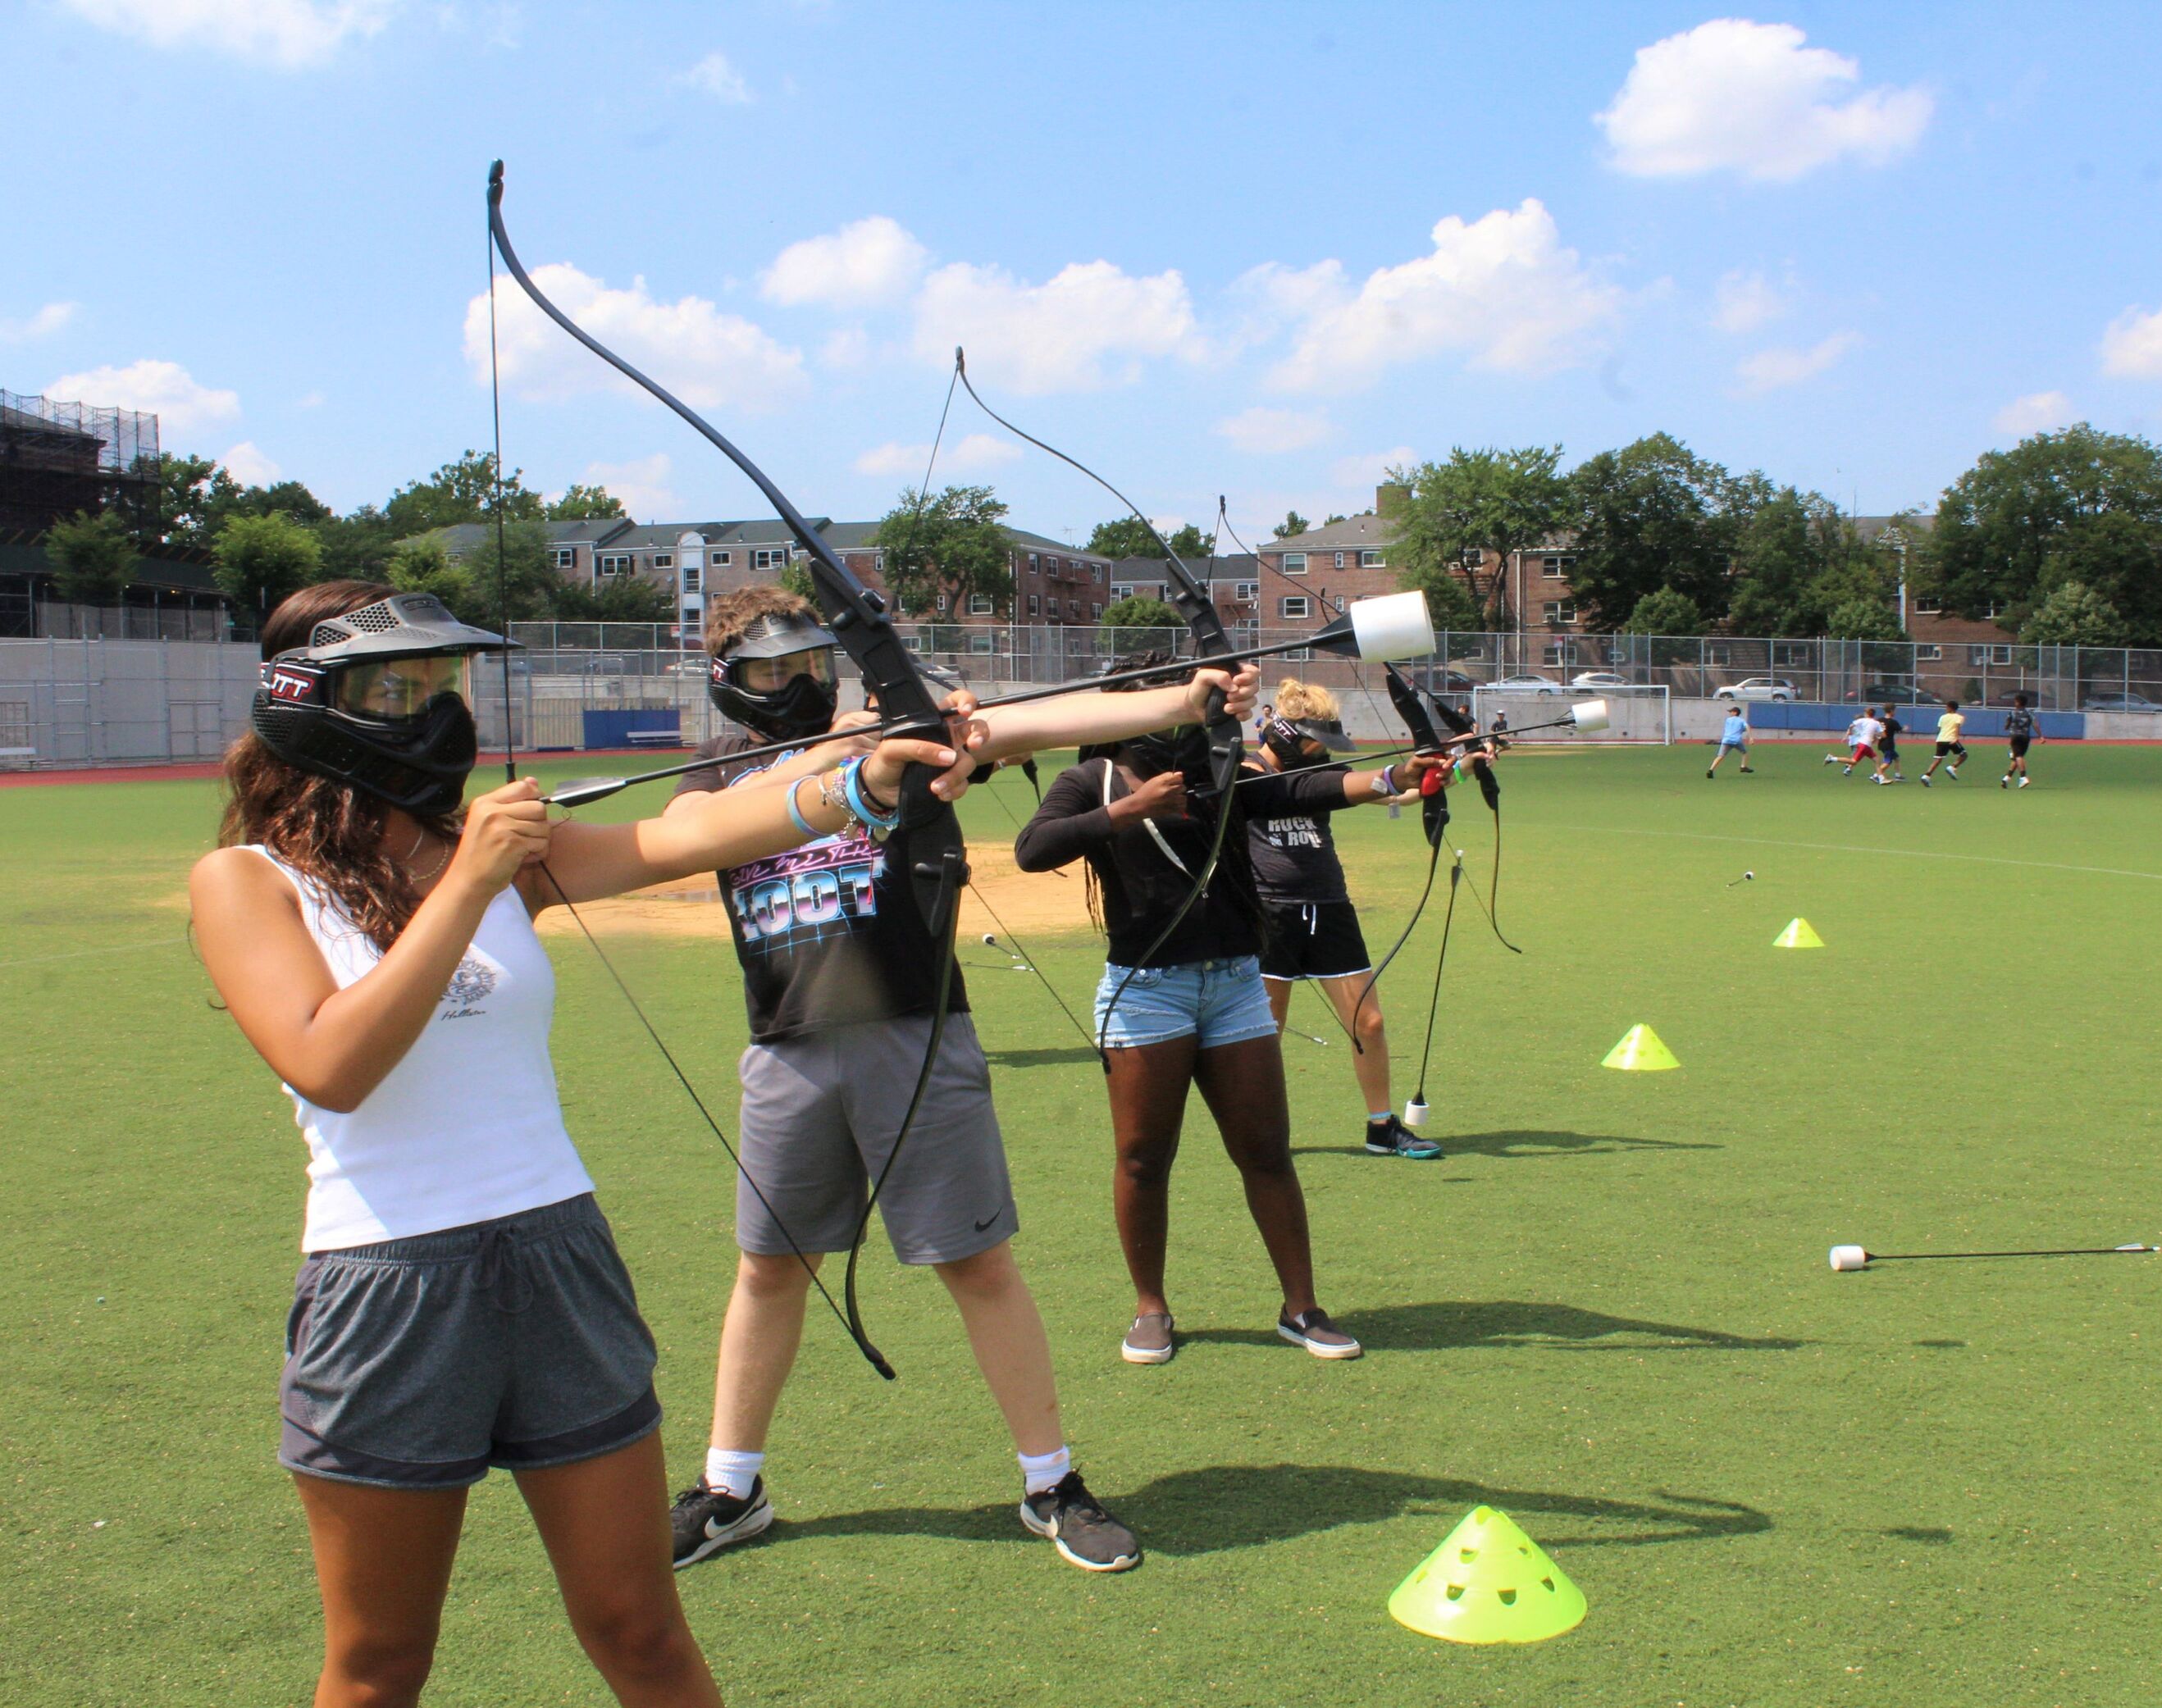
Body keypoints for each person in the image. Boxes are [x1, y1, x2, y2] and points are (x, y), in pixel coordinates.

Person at [189, 580, 971, 1707]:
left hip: (561, 1256)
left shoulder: (502, 850)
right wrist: (470, 880)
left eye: (444, 683)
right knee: (379, 1664)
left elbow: (683, 833)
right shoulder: (249, 882)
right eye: (398, 688)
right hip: (389, 1283)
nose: (436, 712)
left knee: (640, 1627)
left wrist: (863, 779)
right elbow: (332, 1064)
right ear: (306, 699)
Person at [663, 587, 1259, 1576]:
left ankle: (1050, 1480)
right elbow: (698, 823)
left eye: (811, 664)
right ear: (730, 681)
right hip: (786, 1045)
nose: (798, 684)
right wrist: (842, 752)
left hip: (913, 1030)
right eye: (773, 670)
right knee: (769, 1267)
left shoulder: (896, 738)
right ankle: (732, 1488)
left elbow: (1030, 724)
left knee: (978, 1264)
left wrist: (1186, 701)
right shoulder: (720, 773)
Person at [1013, 660, 1446, 1368]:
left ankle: (1301, 1307)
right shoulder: (1091, 779)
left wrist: (1395, 777)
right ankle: (1151, 1308)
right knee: (1143, 1157)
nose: (1199, 712)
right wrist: (1128, 808)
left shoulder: (1221, 770)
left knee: (1266, 1151)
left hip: (1236, 984)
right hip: (1147, 989)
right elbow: (1033, 849)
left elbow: (1302, 787)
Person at [1247, 680, 1448, 1159]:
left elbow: (1396, 795)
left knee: (1369, 1023)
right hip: (1269, 912)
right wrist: (1389, 777)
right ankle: (1259, 1133)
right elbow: (1289, 791)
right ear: (1285, 733)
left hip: (1330, 908)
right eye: (1315, 743)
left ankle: (1382, 1127)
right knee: (1265, 1031)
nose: (1323, 753)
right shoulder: (1246, 774)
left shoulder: (1319, 772)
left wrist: (1450, 771)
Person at [1824, 708, 1882, 777]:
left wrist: (1848, 733)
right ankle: (1833, 759)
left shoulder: (1864, 722)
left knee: (1874, 760)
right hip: (1861, 744)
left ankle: (1880, 778)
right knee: (1854, 760)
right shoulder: (1869, 722)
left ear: (1866, 714)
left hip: (1862, 744)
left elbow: (1851, 726)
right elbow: (1881, 735)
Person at [1920, 700, 1968, 784]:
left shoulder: (1942, 717)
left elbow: (1940, 729)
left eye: (1947, 707)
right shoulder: (1960, 717)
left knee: (1938, 760)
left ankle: (1927, 776)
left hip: (1941, 740)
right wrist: (1956, 738)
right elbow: (1957, 727)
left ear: (1950, 708)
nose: (1946, 708)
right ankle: (1952, 767)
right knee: (1964, 755)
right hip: (1951, 740)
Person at [2001, 693, 2037, 788]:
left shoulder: (2012, 713)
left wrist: (2007, 726)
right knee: (2018, 757)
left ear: (2018, 702)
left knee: (2018, 756)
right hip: (2025, 737)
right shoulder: (2029, 713)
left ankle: (2023, 777)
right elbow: (2035, 724)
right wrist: (2041, 736)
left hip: (2015, 737)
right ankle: (2007, 778)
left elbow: (2006, 725)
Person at [1706, 704, 1753, 777]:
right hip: (1736, 741)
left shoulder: (1728, 720)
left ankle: (1711, 770)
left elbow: (1732, 728)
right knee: (1744, 753)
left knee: (1720, 756)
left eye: (1731, 711)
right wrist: (1751, 737)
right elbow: (1747, 727)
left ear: (1735, 712)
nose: (1730, 713)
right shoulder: (1741, 720)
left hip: (1726, 740)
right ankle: (1743, 766)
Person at [1872, 704, 1905, 784]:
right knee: (1887, 762)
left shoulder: (1879, 720)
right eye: (1895, 710)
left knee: (1896, 758)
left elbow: (1875, 730)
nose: (1895, 712)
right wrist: (1905, 728)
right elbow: (1900, 730)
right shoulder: (1893, 722)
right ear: (1891, 711)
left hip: (1882, 743)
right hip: (1888, 744)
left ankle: (1897, 775)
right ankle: (1876, 775)